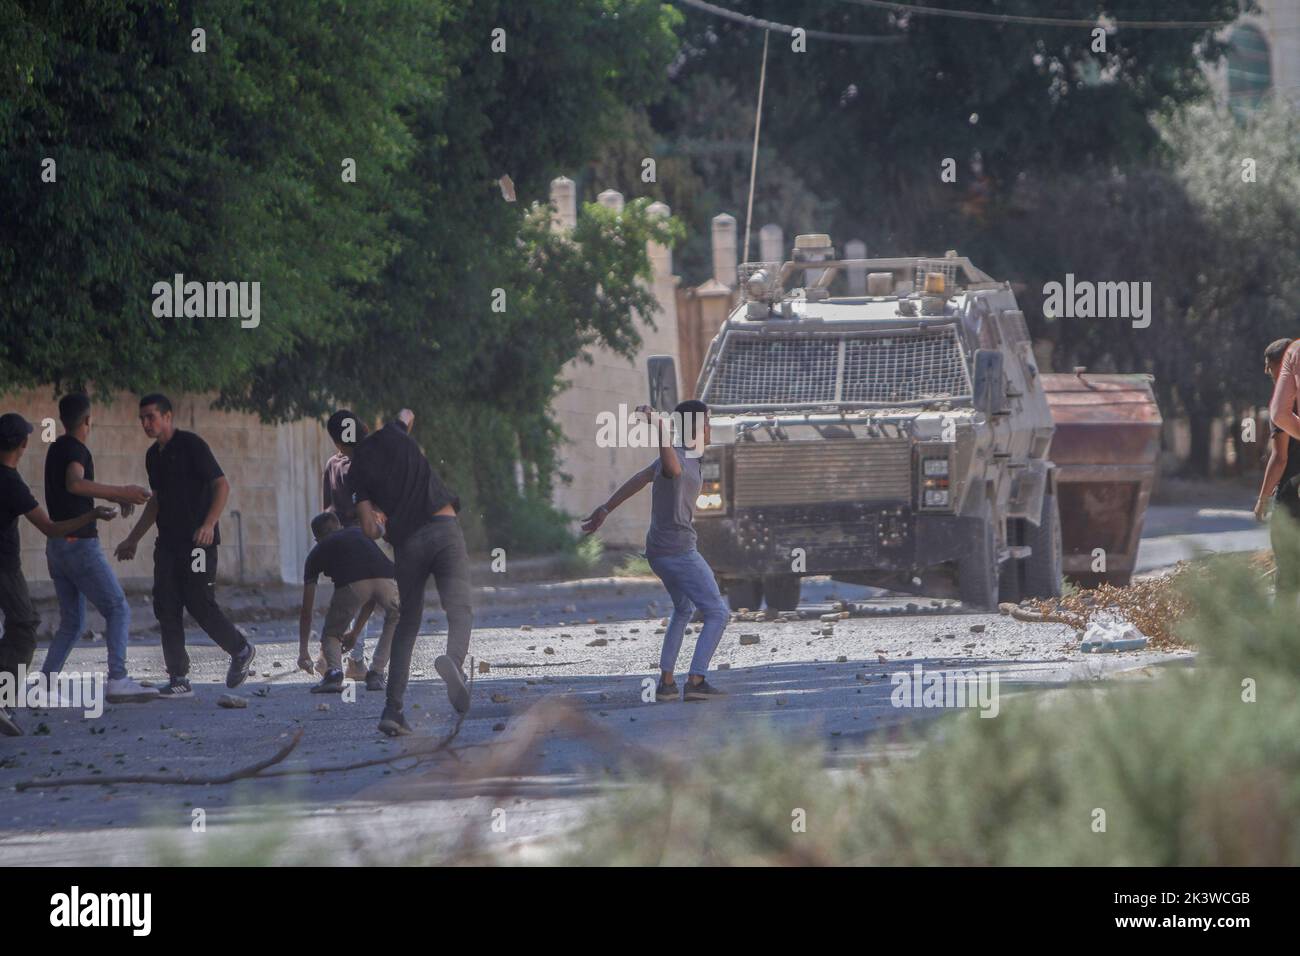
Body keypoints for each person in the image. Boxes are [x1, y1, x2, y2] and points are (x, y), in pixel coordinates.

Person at [582, 400, 729, 702]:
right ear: (693, 429)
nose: (709, 428)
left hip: (659, 552)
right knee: (717, 612)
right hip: (679, 552)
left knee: (683, 609)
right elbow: (671, 467)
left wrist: (606, 508)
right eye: (706, 423)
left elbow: (639, 479)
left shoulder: (686, 458)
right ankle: (697, 680)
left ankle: (666, 683)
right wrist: (658, 425)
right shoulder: (676, 459)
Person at [113, 394, 255, 698]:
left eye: (151, 417)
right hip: (168, 545)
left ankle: (241, 649)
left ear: (168, 416)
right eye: (142, 419)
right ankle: (178, 677)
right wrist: (133, 539)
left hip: (197, 544)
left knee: (199, 602)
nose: (146, 424)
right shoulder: (153, 456)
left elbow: (221, 485)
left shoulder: (191, 445)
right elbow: (156, 503)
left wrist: (208, 524)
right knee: (166, 604)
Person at [349, 409, 472, 736]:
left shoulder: (356, 470)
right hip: (444, 525)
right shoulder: (393, 431)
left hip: (408, 543)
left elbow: (368, 530)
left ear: (341, 446)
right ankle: (454, 663)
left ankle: (393, 709)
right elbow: (408, 413)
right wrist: (401, 424)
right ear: (365, 427)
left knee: (408, 621)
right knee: (458, 607)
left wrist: (379, 521)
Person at [1, 413, 116, 736]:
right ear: (23, 445)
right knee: (24, 627)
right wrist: (92, 513)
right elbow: (50, 527)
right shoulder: (11, 483)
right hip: (5, 569)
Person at [40, 394, 157, 703]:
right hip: (79, 546)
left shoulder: (56, 448)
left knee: (73, 622)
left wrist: (116, 498)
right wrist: (122, 492)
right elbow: (75, 483)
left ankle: (44, 685)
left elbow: (72, 489)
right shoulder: (76, 449)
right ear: (87, 421)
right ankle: (118, 679)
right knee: (118, 608)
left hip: (57, 546)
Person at [297, 511, 399, 694]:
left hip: (352, 584)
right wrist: (355, 632)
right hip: (387, 579)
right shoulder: (359, 533)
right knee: (395, 617)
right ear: (339, 526)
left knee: (332, 633)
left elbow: (307, 609)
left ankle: (334, 674)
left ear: (317, 538)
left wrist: (303, 651)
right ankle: (376, 672)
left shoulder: (318, 551)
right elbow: (371, 596)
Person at [321, 409, 371, 681]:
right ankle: (355, 660)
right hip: (362, 540)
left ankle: (329, 656)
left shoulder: (332, 464)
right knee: (363, 602)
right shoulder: (366, 464)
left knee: (345, 602)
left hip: (338, 540)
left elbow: (326, 510)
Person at [1257, 339, 1300, 601]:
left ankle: (1284, 634)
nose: (1267, 372)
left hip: (1290, 496)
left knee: (1286, 566)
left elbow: (1280, 457)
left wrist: (1262, 499)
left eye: (1269, 364)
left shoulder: (1284, 404)